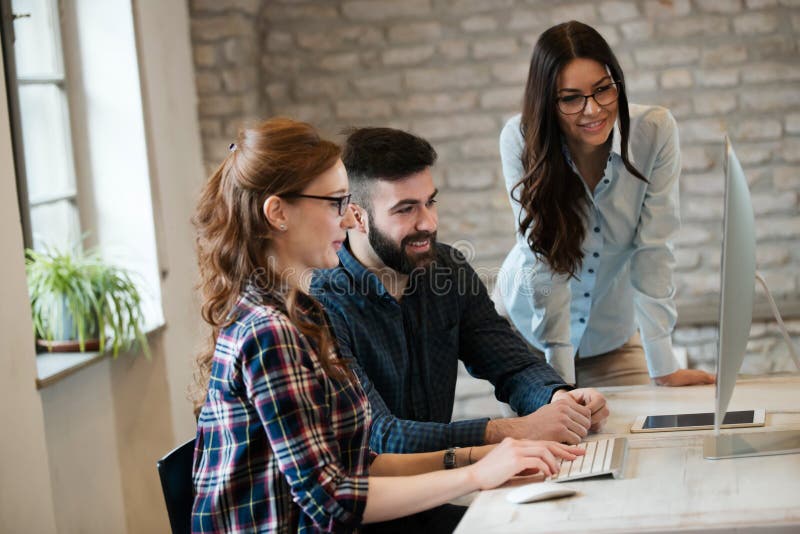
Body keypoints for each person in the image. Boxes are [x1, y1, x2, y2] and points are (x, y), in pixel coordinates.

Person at [190, 118, 583, 533]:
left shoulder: (300, 315)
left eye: (430, 202)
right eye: (334, 204)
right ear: (278, 213)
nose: (344, 220)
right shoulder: (272, 331)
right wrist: (479, 468)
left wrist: (495, 451)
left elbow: (362, 461)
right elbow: (333, 501)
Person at [311, 126, 609, 458]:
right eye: (406, 209)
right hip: (373, 505)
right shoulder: (322, 304)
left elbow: (511, 364)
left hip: (441, 490)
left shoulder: (447, 268)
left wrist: (559, 400)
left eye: (430, 202)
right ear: (356, 216)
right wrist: (513, 430)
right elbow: (379, 436)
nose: (428, 223)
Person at [494, 20, 716, 388]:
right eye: (570, 98)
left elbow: (654, 249)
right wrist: (560, 386)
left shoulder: (654, 132)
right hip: (528, 330)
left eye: (602, 90)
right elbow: (542, 259)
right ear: (547, 102)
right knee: (554, 441)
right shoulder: (520, 139)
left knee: (641, 426)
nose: (593, 110)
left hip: (609, 334)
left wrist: (663, 363)